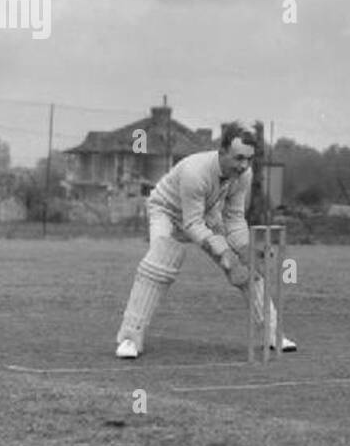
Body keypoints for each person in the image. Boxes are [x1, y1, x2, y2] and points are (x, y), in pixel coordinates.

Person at [115, 121, 296, 359]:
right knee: (159, 263)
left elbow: (234, 218)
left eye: (249, 160)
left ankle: (273, 335)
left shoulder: (244, 175)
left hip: (206, 212)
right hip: (167, 211)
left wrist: (244, 249)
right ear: (221, 152)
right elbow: (191, 224)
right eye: (239, 158)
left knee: (247, 267)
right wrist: (224, 253)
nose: (244, 166)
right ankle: (130, 338)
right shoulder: (196, 172)